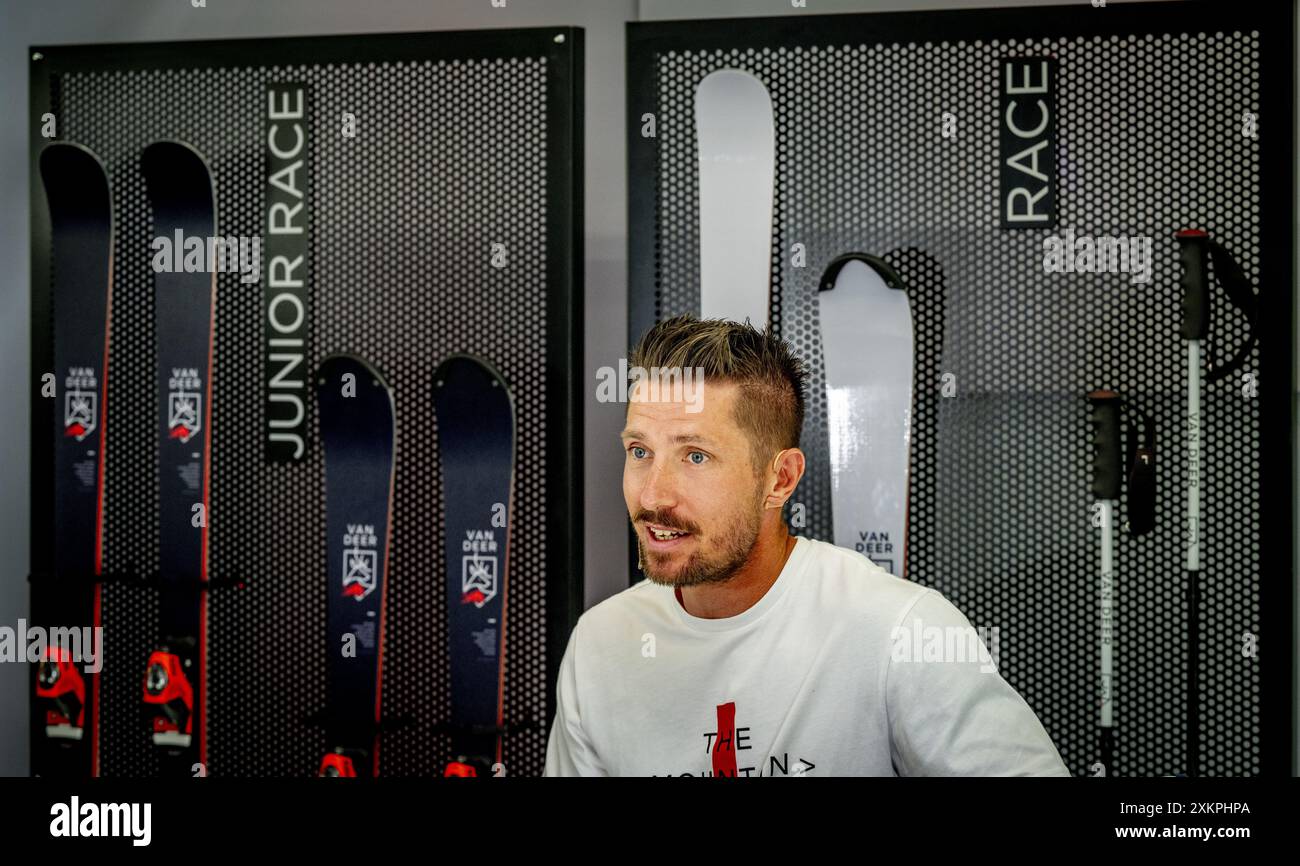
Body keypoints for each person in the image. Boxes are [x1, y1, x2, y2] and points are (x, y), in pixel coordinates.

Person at [545, 315, 1069, 777]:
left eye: (696, 456)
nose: (653, 493)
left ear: (780, 479)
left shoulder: (900, 633)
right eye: (640, 450)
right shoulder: (600, 644)